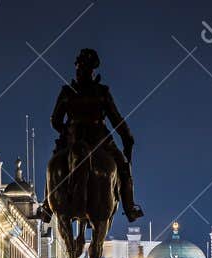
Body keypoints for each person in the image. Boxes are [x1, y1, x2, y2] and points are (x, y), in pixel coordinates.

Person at [37, 48, 143, 222]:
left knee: (53, 165)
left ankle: (47, 207)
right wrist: (127, 137)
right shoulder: (101, 92)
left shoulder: (68, 91)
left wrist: (66, 130)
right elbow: (116, 119)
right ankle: (129, 207)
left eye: (81, 68)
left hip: (74, 138)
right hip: (99, 139)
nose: (81, 71)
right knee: (123, 167)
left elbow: (55, 120)